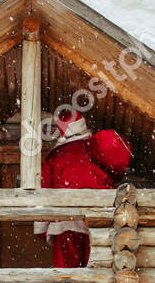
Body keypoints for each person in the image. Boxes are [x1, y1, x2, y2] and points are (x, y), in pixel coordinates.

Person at [34, 109, 132, 267]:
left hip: (65, 219)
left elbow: (44, 190)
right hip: (98, 215)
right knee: (97, 264)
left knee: (66, 270)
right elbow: (113, 172)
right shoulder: (95, 146)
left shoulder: (55, 156)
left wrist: (41, 226)